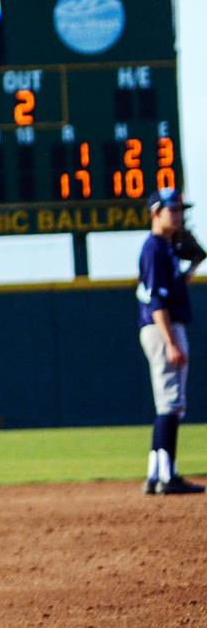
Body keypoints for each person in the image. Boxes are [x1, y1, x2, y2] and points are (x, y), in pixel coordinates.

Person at [139, 187, 200, 496]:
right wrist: (171, 342)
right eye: (171, 210)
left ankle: (155, 474)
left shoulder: (166, 248)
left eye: (179, 210)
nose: (178, 215)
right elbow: (156, 303)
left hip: (165, 327)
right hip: (162, 327)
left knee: (169, 404)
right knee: (171, 404)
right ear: (155, 213)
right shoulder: (154, 249)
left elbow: (174, 288)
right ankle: (168, 476)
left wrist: (194, 263)